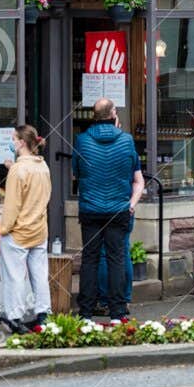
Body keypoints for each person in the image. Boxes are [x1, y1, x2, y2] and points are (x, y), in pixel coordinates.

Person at [74, 98, 143, 320]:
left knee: (90, 260)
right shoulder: (127, 141)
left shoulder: (82, 140)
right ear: (113, 114)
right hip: (118, 209)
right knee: (116, 259)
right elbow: (134, 174)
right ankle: (117, 312)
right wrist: (130, 205)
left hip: (91, 209)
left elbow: (76, 173)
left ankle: (85, 313)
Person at [0, 124, 52, 334]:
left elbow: (12, 205)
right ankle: (43, 314)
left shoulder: (18, 170)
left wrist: (4, 228)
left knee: (15, 276)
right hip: (39, 228)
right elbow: (42, 194)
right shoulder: (42, 166)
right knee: (39, 274)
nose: (11, 142)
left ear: (21, 142)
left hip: (18, 232)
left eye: (13, 139)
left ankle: (15, 316)